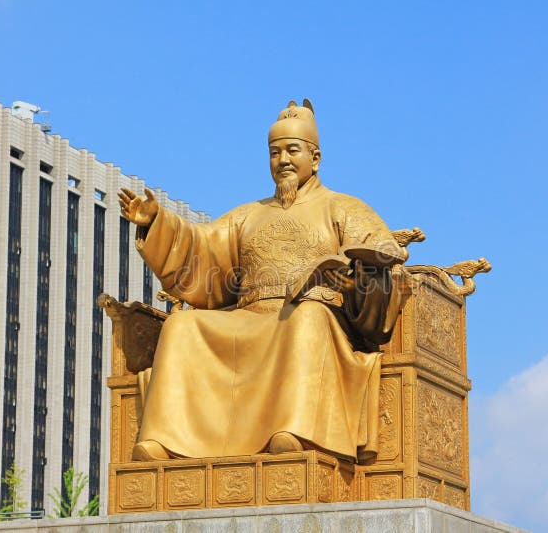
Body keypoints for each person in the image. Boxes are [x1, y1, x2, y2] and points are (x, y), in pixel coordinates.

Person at [118, 99, 407, 462]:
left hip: (317, 318)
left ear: (314, 158)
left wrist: (354, 278)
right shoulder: (247, 215)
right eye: (275, 152)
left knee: (307, 317)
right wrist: (155, 223)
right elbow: (201, 247)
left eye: (292, 151)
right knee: (182, 324)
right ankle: (165, 439)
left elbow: (383, 254)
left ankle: (295, 431)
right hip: (249, 315)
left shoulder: (344, 208)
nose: (283, 160)